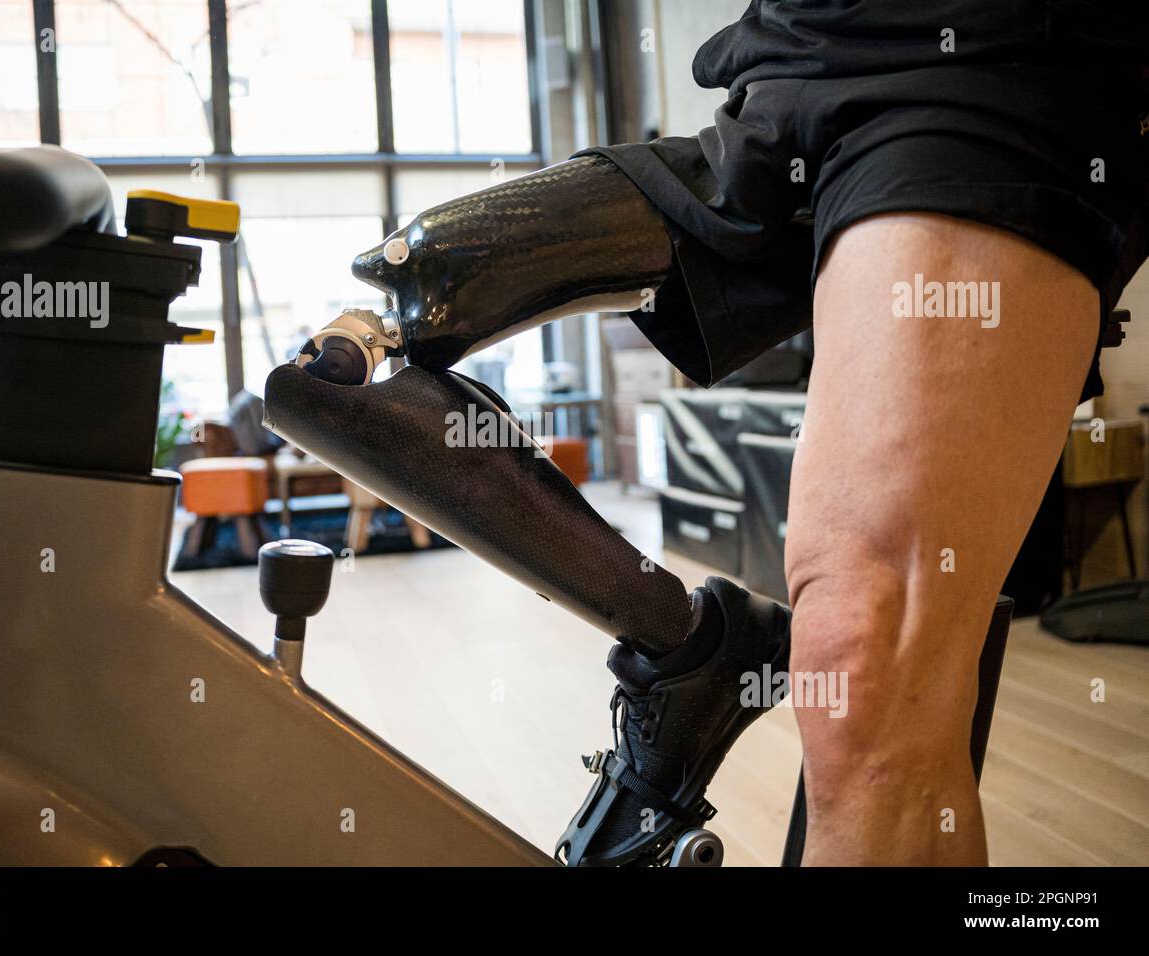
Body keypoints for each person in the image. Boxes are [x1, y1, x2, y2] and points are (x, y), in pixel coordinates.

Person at [318, 0, 1148, 865]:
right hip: (791, 68)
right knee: (414, 287)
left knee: (860, 663)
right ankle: (700, 649)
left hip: (990, 61)